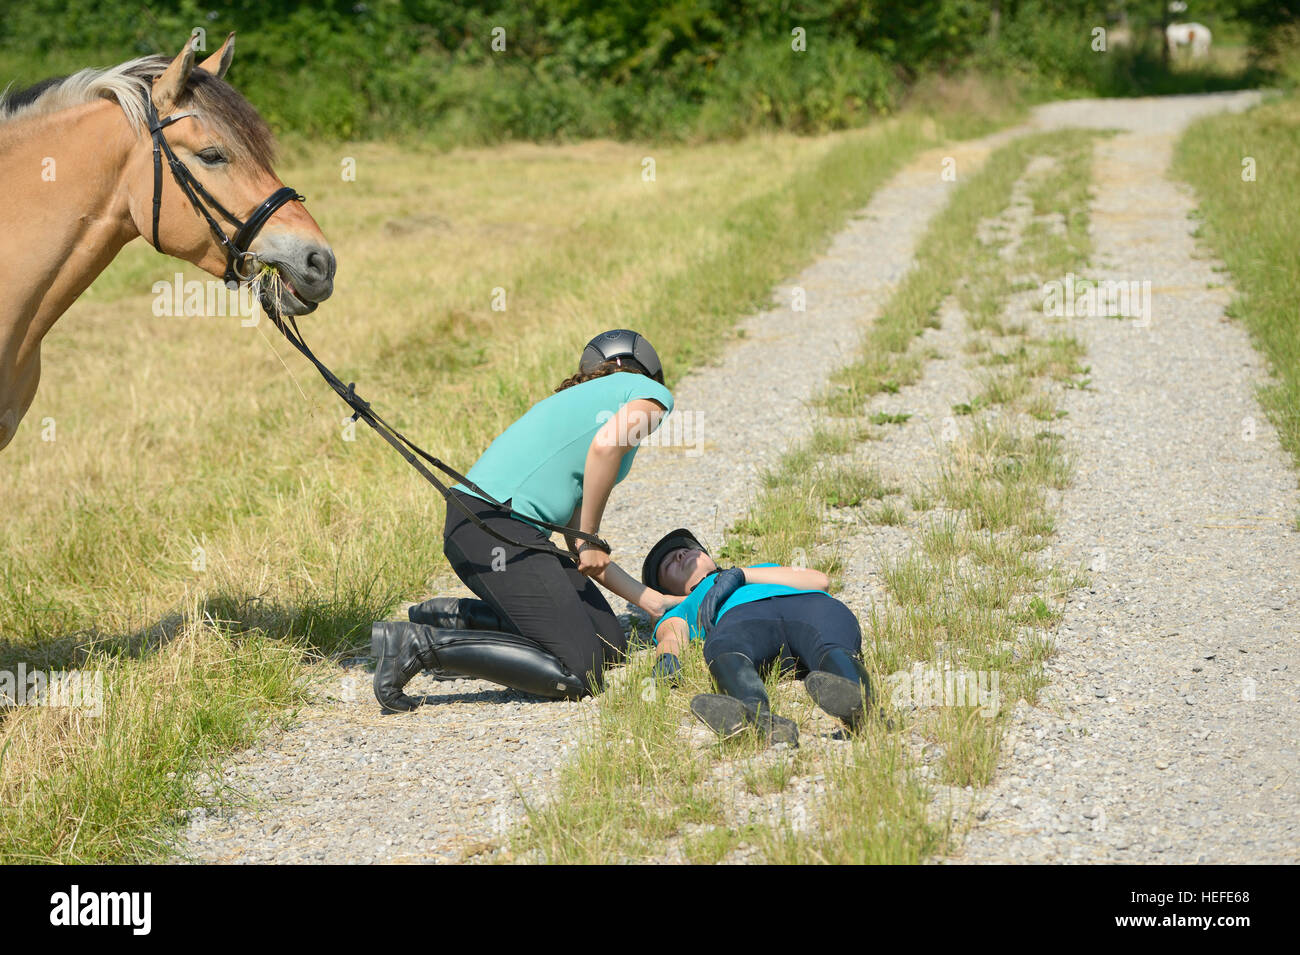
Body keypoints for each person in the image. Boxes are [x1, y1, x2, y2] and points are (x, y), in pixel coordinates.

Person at [372, 330, 683, 712]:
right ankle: (420, 646)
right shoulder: (648, 393)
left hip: (493, 530)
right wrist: (590, 537)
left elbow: (576, 543)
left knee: (610, 646)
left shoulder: (576, 408)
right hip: (493, 527)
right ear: (642, 369)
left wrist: (651, 602)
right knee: (580, 670)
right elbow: (606, 451)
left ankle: (458, 621)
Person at [642, 528, 876, 746]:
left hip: (809, 607)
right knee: (725, 648)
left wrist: (740, 575)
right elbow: (671, 636)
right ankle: (755, 715)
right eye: (669, 563)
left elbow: (819, 581)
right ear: (668, 591)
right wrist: (667, 660)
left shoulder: (761, 568)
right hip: (741, 621)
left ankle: (859, 702)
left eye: (687, 549)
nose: (680, 555)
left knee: (831, 645)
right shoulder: (683, 607)